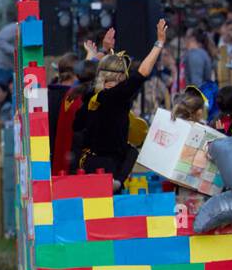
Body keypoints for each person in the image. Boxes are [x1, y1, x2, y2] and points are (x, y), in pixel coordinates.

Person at [72, 18, 168, 188]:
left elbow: (88, 71)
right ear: (121, 76)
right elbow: (142, 72)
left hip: (85, 162)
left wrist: (103, 50)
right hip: (110, 166)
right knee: (131, 152)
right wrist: (159, 43)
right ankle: (117, 182)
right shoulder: (117, 95)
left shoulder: (90, 92)